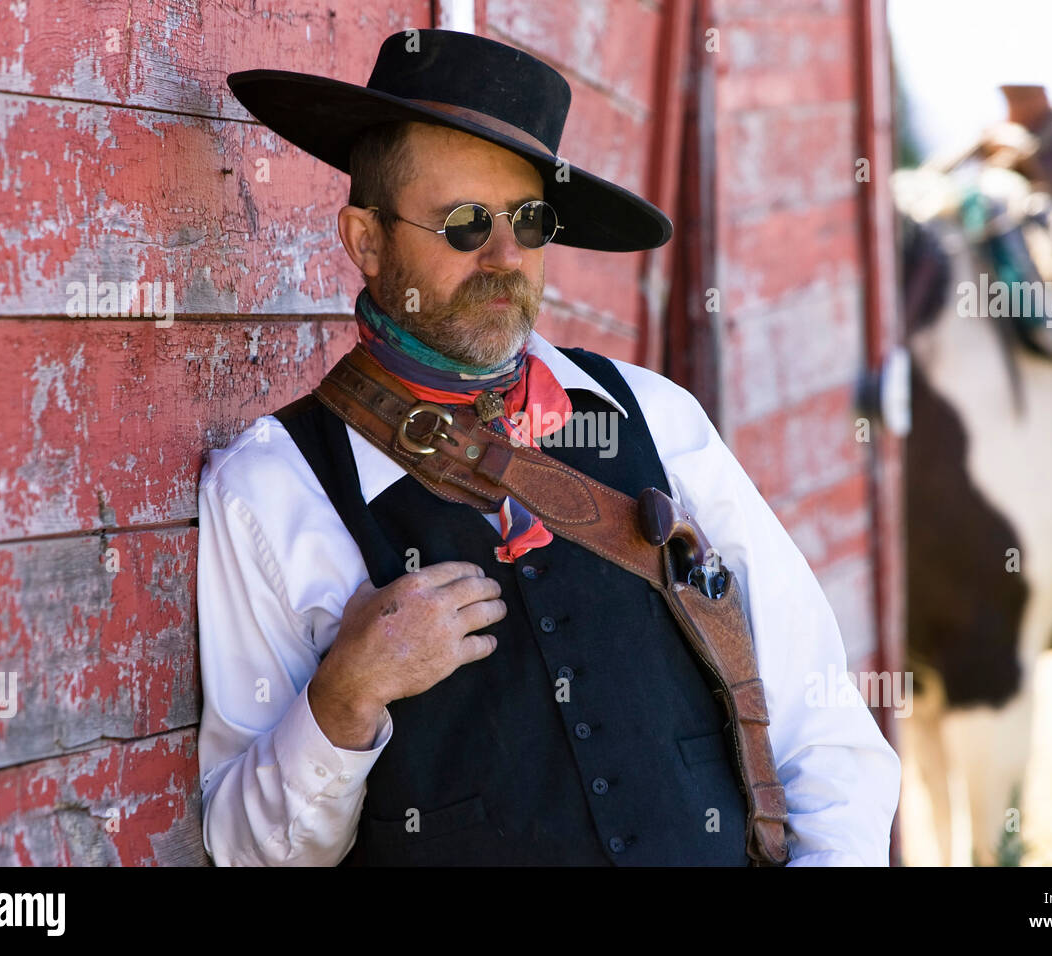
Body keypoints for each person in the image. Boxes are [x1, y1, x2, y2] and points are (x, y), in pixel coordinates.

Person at [197, 28, 900, 866]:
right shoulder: (273, 488)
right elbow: (247, 849)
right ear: (368, 239)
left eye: (529, 221)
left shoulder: (654, 418)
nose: (505, 256)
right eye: (464, 224)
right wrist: (344, 697)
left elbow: (822, 732)